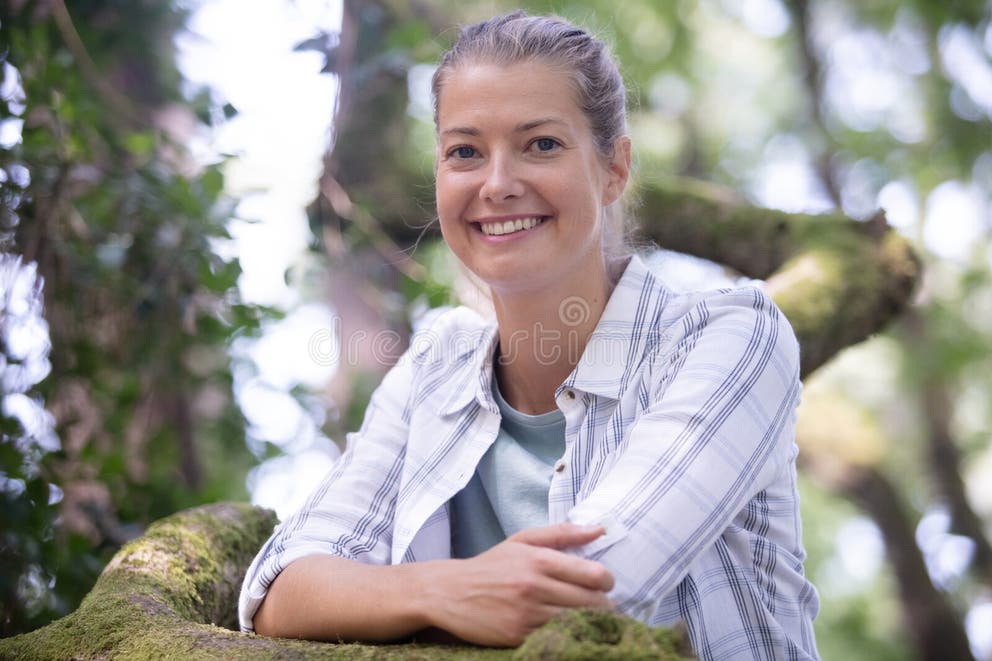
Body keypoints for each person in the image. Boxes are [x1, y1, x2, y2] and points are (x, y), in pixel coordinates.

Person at [238, 11, 821, 660]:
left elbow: (591, 593)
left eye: (541, 144)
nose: (497, 184)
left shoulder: (730, 335)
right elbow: (281, 589)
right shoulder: (435, 367)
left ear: (613, 168)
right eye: (464, 151)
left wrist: (382, 597)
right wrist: (442, 590)